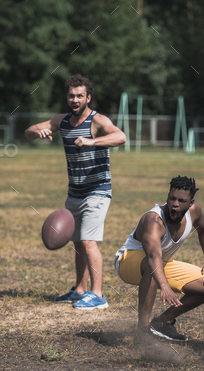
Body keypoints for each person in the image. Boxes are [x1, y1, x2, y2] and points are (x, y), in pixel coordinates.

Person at [24, 74, 126, 310]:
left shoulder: (97, 121)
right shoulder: (62, 121)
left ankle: (98, 295)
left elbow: (120, 136)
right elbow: (29, 130)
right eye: (71, 95)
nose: (75, 99)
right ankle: (80, 290)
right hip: (75, 192)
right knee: (78, 242)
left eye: (80, 95)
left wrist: (92, 142)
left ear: (88, 97)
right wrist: (36, 134)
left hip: (98, 190)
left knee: (88, 241)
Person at [115, 176, 204, 341]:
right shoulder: (154, 221)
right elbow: (153, 256)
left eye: (181, 200)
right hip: (127, 261)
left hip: (159, 264)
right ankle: (142, 333)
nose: (175, 204)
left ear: (191, 202)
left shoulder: (195, 212)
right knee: (153, 268)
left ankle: (162, 322)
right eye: (172, 198)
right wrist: (164, 285)